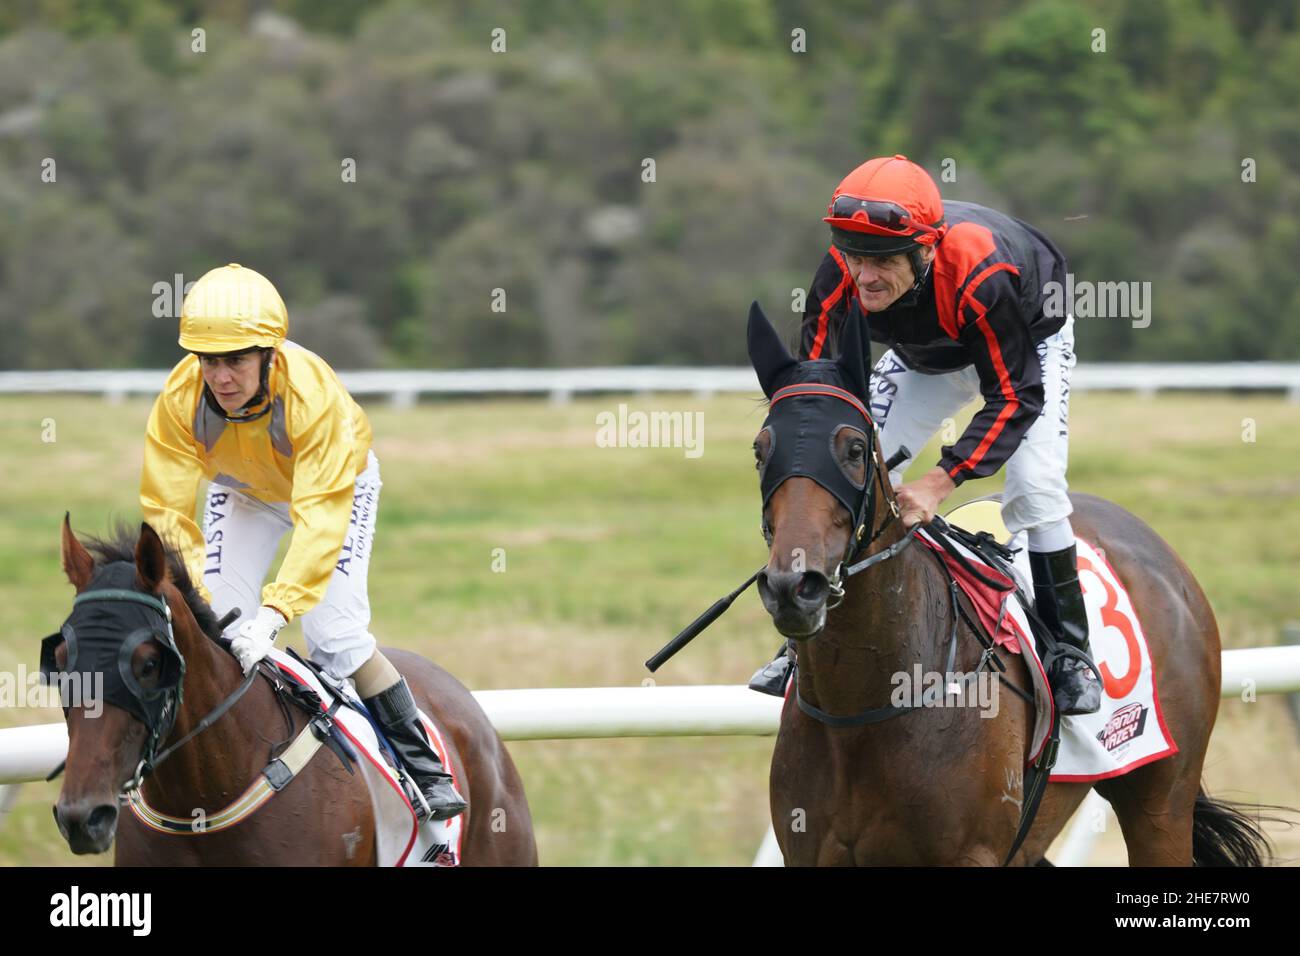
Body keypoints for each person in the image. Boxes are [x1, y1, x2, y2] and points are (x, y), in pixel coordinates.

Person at [749, 155, 1101, 716]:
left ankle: (1071, 655)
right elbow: (819, 402)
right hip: (923, 356)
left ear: (926, 251)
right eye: (854, 256)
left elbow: (1015, 396)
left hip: (1024, 343)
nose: (864, 276)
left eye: (884, 260)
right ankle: (800, 638)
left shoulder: (983, 275)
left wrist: (940, 481)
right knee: (848, 469)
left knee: (1034, 486)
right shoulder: (839, 274)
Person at [140, 263, 467, 819]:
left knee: (334, 635)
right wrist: (189, 596)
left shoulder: (312, 394)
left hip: (335, 487)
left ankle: (425, 766)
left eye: (236, 360)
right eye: (209, 360)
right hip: (243, 493)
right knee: (216, 625)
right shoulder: (178, 399)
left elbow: (318, 516)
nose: (220, 377)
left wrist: (277, 609)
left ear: (270, 352)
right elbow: (168, 516)